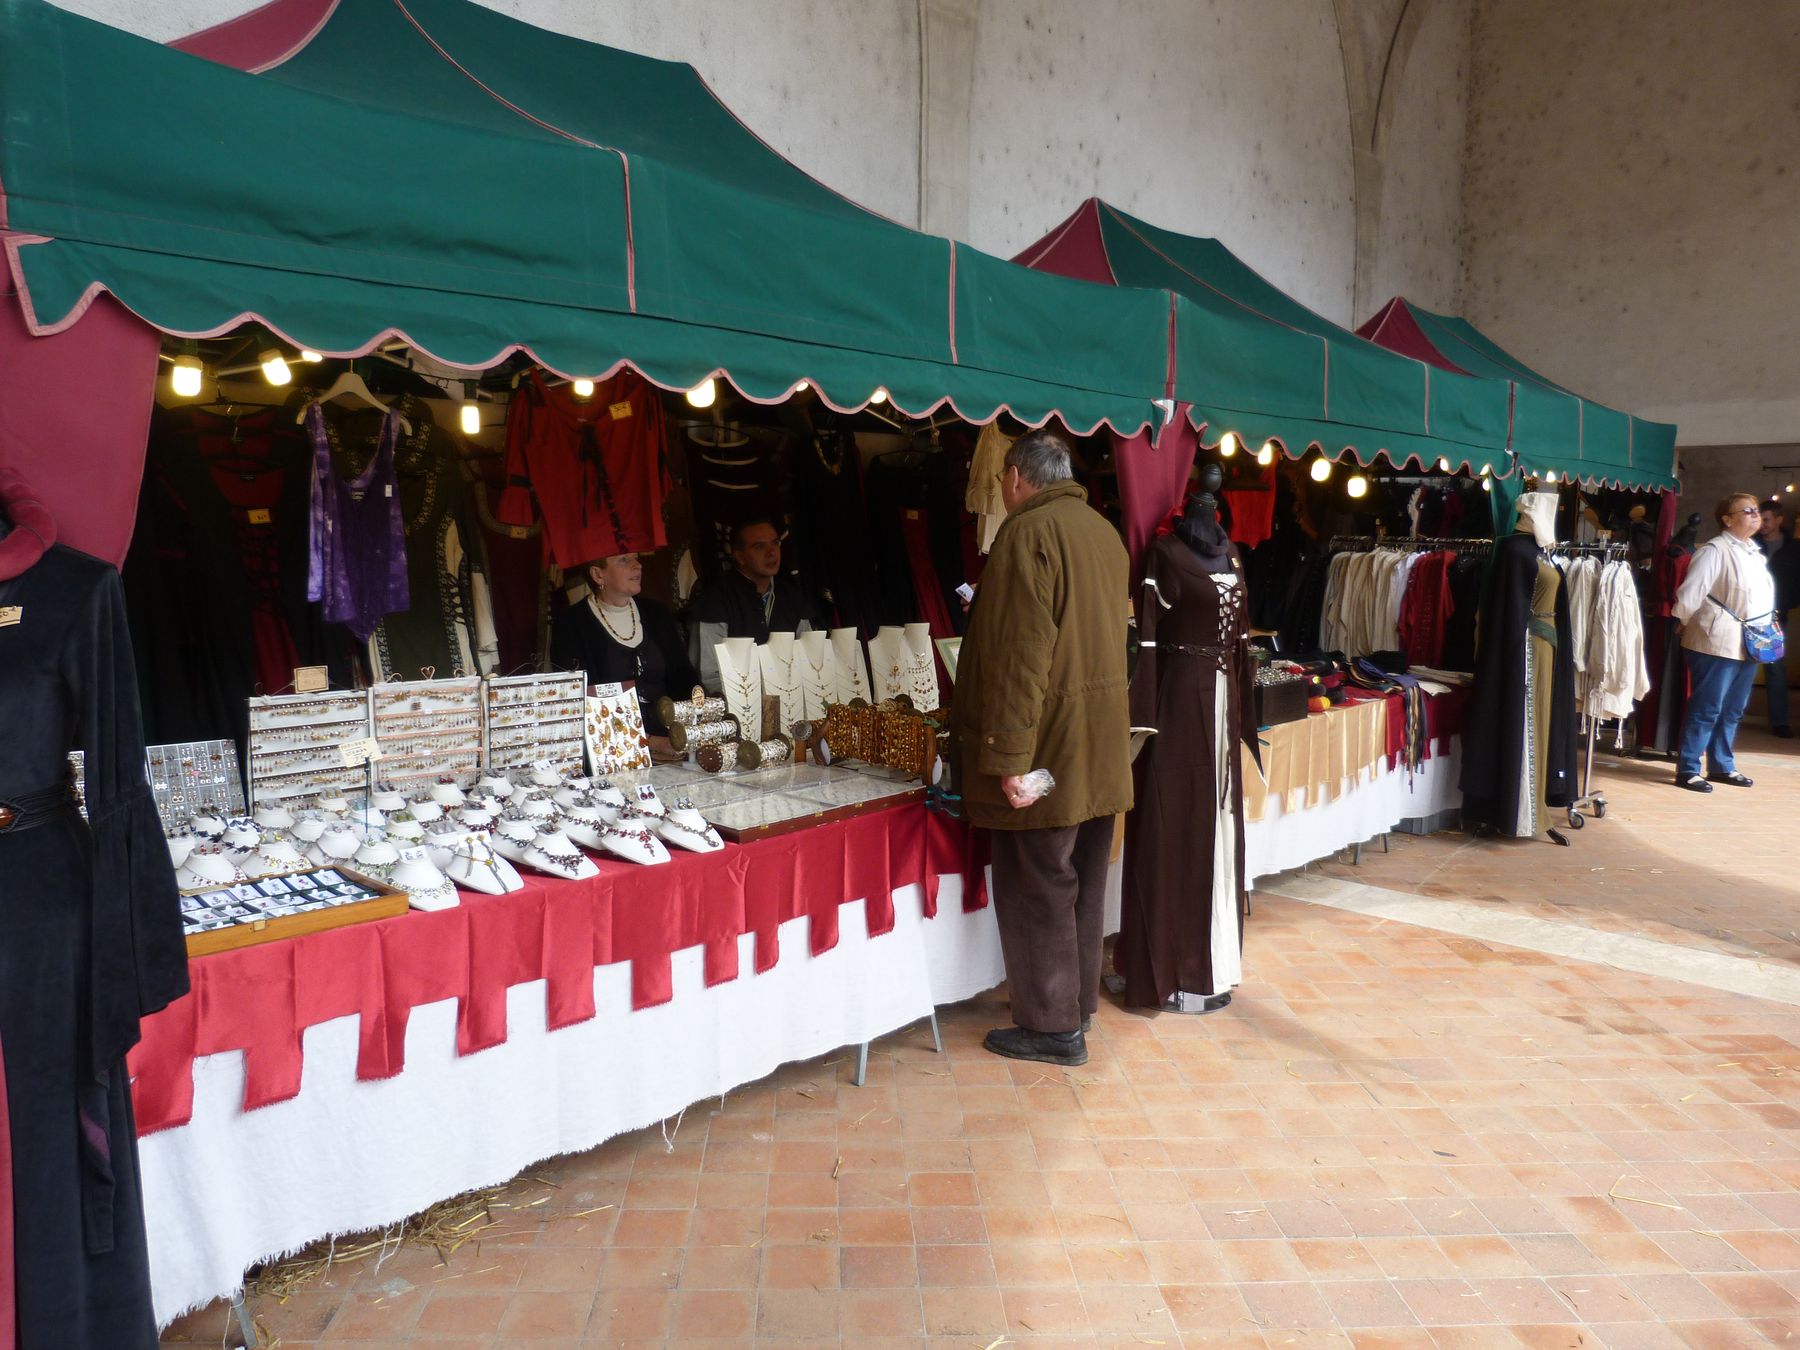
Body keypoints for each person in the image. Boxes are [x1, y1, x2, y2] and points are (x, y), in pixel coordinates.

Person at [950, 430, 1131, 1066]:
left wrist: (1008, 757)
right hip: (1095, 745)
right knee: (1077, 878)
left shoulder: (1027, 534)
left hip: (1046, 749)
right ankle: (1073, 1007)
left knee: (1039, 880)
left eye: (1003, 480)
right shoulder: (1101, 531)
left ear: (1019, 478)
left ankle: (1053, 1028)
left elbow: (1019, 657)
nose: (1002, 490)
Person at [1671, 492, 1778, 791]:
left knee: (1733, 708)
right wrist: (1684, 621)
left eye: (1756, 510)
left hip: (1751, 641)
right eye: (1747, 510)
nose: (1755, 514)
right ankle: (1689, 768)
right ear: (1727, 519)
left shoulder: (1753, 551)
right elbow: (1690, 594)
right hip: (1716, 639)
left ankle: (1722, 765)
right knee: (1708, 706)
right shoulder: (1715, 551)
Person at [549, 552, 699, 740]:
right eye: (624, 560)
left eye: (636, 558)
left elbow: (684, 677)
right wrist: (650, 743)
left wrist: (687, 734)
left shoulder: (656, 613)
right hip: (614, 746)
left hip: (673, 739)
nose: (638, 565)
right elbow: (580, 700)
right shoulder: (571, 625)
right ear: (598, 575)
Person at [684, 517, 817, 691]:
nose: (771, 552)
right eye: (759, 546)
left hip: (793, 700)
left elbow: (811, 656)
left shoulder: (792, 596)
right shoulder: (716, 598)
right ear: (740, 556)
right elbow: (709, 675)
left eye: (775, 543)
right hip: (738, 706)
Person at [1756, 499, 1797, 736]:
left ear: (1779, 520)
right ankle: (1733, 716)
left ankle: (1780, 722)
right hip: (1750, 615)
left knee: (1775, 667)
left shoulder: (1793, 548)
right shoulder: (1752, 545)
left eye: (1767, 519)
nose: (1762, 524)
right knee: (1744, 666)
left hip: (1776, 615)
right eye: (1760, 519)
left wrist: (1789, 603)